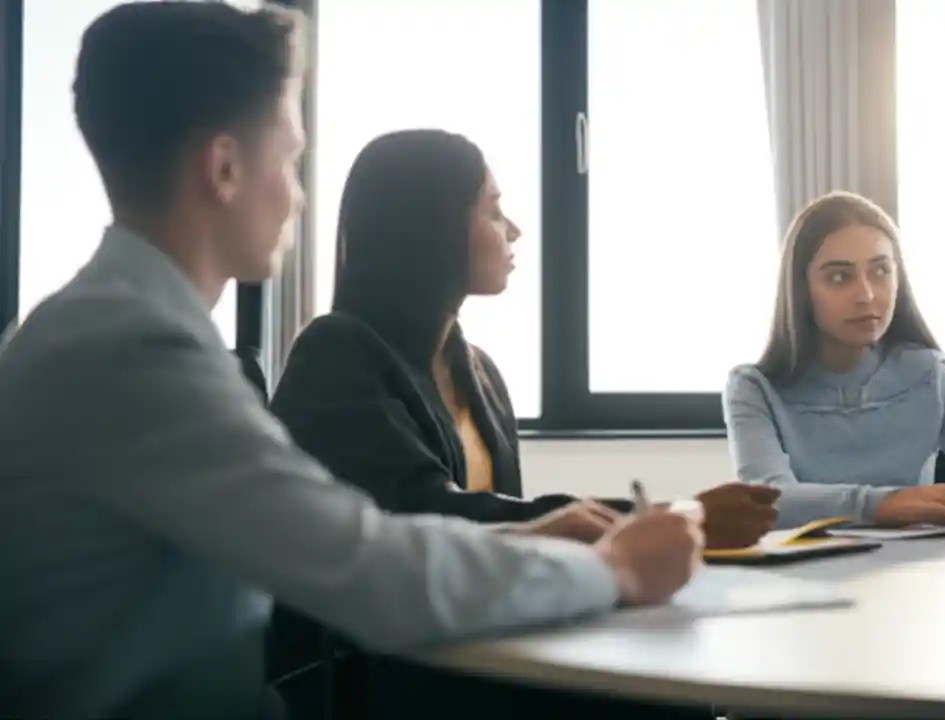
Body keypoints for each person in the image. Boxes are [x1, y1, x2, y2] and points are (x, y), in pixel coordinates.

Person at [0, 4, 701, 718]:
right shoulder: (133, 354)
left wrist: (532, 542)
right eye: (291, 160)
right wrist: (610, 567)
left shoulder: (107, 332)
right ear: (225, 167)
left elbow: (334, 541)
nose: (299, 198)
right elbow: (367, 569)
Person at [270, 129, 779, 549]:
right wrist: (671, 520)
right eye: (492, 210)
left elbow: (512, 527)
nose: (512, 229)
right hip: (371, 659)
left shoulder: (480, 372)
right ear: (430, 226)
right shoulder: (335, 354)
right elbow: (427, 514)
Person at [724, 191, 945, 529]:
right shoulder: (754, 389)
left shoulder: (927, 375)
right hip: (805, 579)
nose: (867, 295)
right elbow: (766, 503)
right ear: (801, 290)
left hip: (914, 577)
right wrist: (885, 504)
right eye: (840, 277)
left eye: (880, 271)